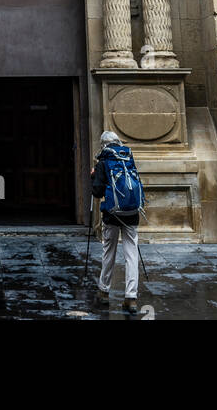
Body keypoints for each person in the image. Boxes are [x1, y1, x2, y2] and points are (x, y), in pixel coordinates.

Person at [91, 130, 142, 313]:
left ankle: (104, 292)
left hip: (112, 215)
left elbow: (97, 192)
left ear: (103, 144)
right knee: (131, 255)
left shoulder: (103, 161)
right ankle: (131, 297)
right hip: (132, 213)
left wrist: (93, 176)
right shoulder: (128, 157)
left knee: (109, 253)